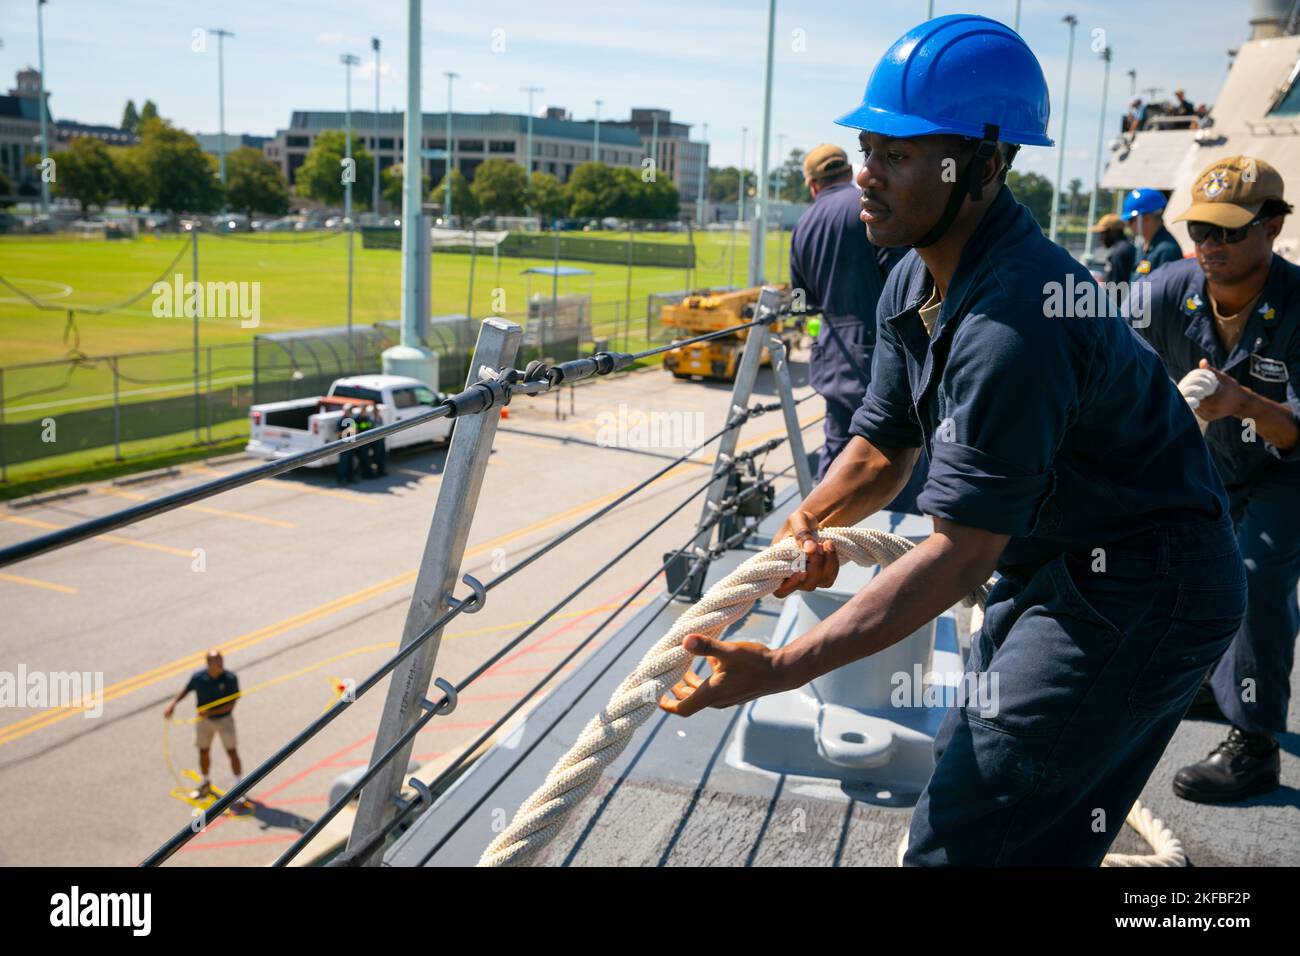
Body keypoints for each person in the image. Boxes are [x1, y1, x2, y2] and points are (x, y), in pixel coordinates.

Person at [658, 14, 1245, 866]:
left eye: (898, 156)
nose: (866, 176)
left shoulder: (1015, 323)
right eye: (867, 148)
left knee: (969, 835)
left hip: (1146, 588)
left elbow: (961, 555)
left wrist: (783, 668)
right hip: (1053, 564)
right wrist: (810, 525)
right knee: (985, 792)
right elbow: (879, 448)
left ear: (986, 166)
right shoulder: (912, 274)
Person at [1132, 155, 1299, 804]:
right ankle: (1212, 679)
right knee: (1188, 563)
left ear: (1274, 226)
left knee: (1256, 575)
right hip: (1207, 463)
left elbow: (1295, 433)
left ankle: (1255, 746)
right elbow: (1118, 391)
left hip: (1287, 469)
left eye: (1229, 232)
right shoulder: (1158, 295)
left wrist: (1246, 404)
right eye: (1201, 229)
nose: (1209, 245)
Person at [789, 143, 912, 498]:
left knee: (837, 447)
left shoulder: (804, 224)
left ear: (813, 184)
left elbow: (803, 301)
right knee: (892, 449)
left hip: (832, 354)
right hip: (880, 352)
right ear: (849, 172)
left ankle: (820, 530)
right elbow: (902, 274)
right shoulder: (866, 206)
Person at [164, 650, 247, 804]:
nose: (221, 664)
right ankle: (205, 782)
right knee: (203, 751)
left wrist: (210, 712)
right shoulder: (198, 678)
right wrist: (173, 705)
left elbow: (231, 705)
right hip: (204, 722)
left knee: (232, 751)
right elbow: (186, 690)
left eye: (221, 660)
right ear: (209, 664)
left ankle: (239, 786)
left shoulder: (230, 678)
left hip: (224, 721)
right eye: (217, 661)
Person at [1123, 187, 1183, 281]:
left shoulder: (1166, 250)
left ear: (1147, 218)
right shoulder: (1144, 246)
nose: (1128, 225)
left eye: (1131, 220)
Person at [1089, 212, 1136, 291]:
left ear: (1113, 232)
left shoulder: (1120, 252)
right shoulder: (1126, 247)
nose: (1100, 238)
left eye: (1103, 233)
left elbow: (1117, 287)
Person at [335, 405, 359, 486]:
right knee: (343, 462)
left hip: (351, 445)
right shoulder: (340, 421)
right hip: (343, 446)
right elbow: (337, 434)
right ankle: (340, 479)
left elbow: (356, 431)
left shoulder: (352, 420)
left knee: (350, 462)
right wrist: (347, 430)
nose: (350, 413)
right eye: (349, 411)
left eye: (350, 411)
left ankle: (350, 477)